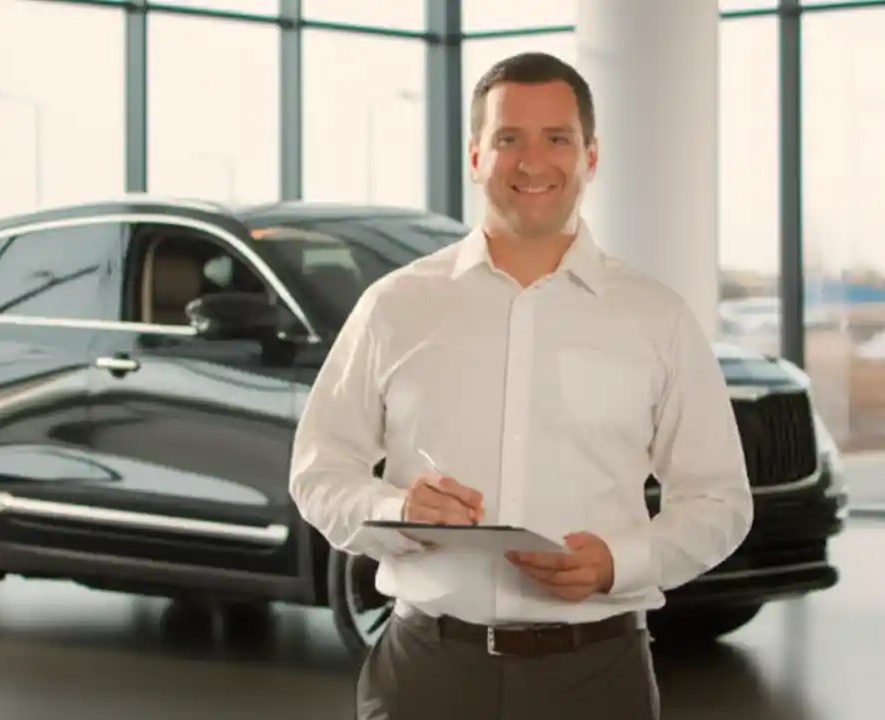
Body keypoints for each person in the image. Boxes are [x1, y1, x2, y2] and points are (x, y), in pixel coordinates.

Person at [288, 52, 754, 720]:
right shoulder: (395, 307)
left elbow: (720, 501)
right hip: (425, 674)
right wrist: (397, 512)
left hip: (598, 679)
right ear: (476, 156)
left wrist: (619, 562)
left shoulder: (658, 319)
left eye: (556, 138)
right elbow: (318, 471)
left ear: (591, 156)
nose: (532, 162)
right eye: (509, 138)